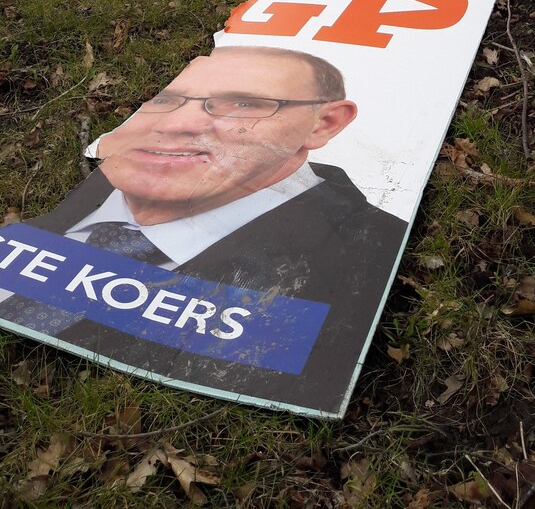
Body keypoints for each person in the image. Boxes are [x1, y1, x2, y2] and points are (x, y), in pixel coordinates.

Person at [2, 46, 408, 415]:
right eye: (166, 100)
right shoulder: (82, 200)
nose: (176, 123)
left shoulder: (365, 256)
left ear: (323, 124)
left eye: (244, 104)